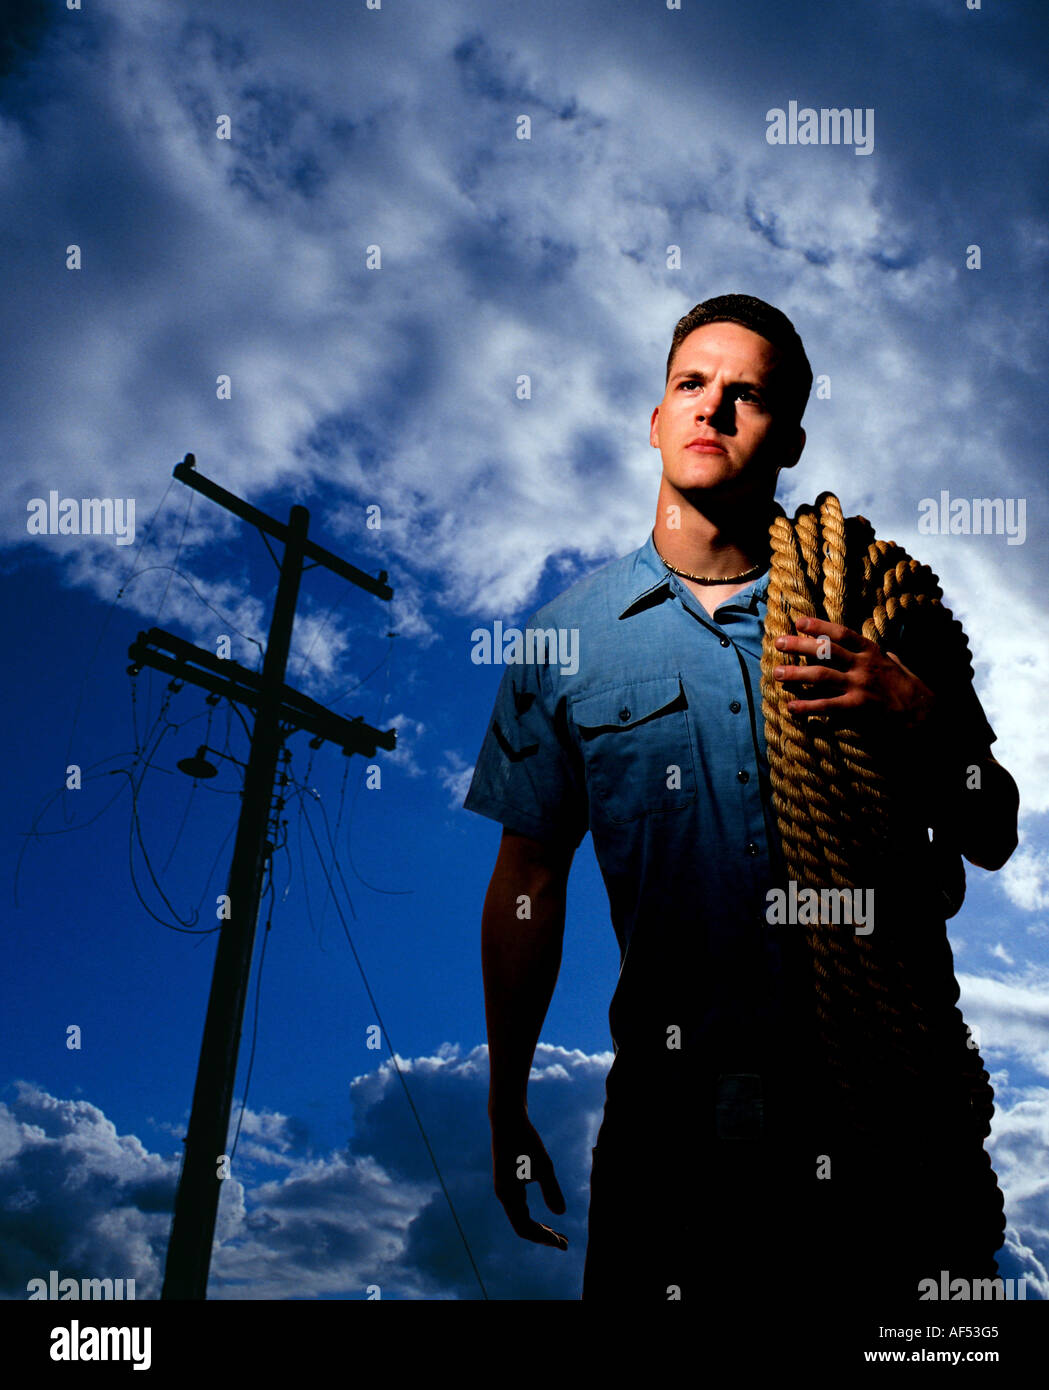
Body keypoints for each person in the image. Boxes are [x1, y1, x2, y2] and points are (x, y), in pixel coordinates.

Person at [463, 294, 1019, 1305]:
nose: (710, 409)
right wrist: (503, 1104)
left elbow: (990, 828)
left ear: (789, 436)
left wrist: (916, 714)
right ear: (653, 417)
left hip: (879, 1114)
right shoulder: (565, 638)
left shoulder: (872, 604)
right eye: (689, 384)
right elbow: (528, 879)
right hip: (666, 1127)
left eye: (745, 394)